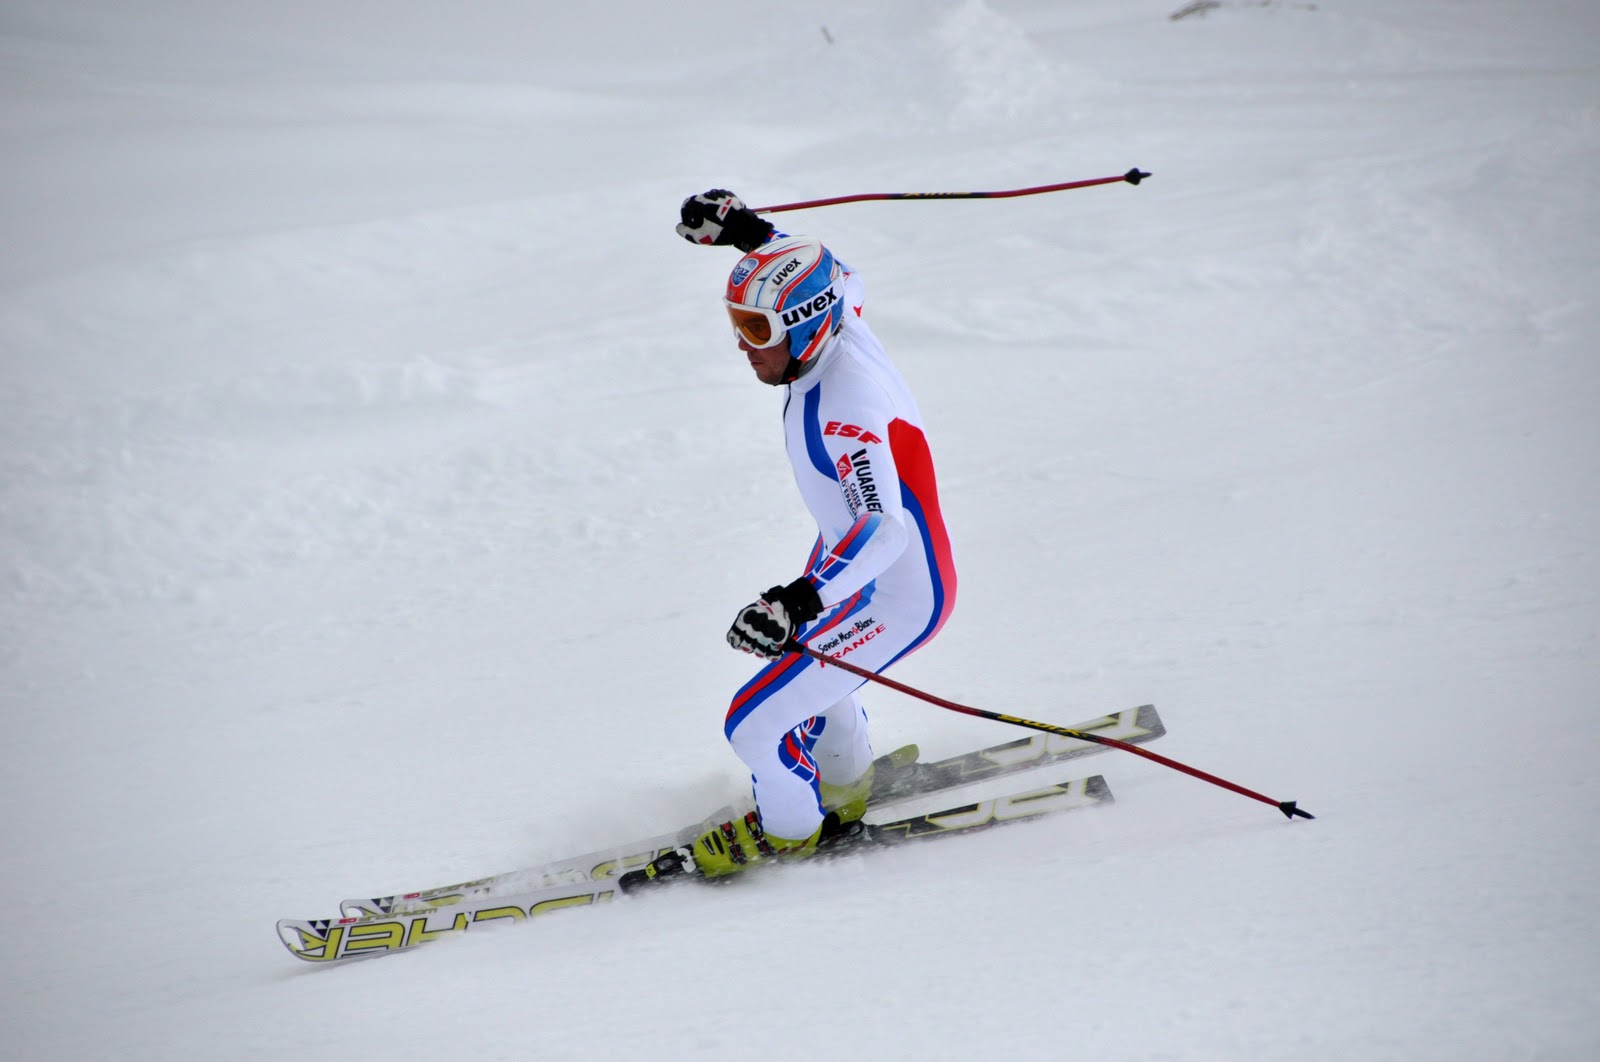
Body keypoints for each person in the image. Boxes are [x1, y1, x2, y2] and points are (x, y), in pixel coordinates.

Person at [673, 189, 958, 876]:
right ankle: (844, 784)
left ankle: (791, 831)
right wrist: (748, 231)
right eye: (739, 323)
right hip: (848, 571)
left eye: (758, 330)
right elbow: (838, 275)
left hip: (893, 592)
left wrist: (798, 601)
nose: (744, 345)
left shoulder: (848, 407)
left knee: (753, 723)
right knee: (808, 685)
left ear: (802, 328)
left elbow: (884, 528)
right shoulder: (836, 322)